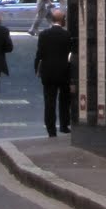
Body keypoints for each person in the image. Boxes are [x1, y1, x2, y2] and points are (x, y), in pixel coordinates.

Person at [34, 7, 73, 137]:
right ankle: (64, 125)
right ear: (63, 20)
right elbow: (70, 54)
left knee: (49, 100)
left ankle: (51, 129)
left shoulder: (44, 35)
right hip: (63, 71)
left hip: (48, 71)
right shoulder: (67, 35)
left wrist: (37, 69)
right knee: (64, 99)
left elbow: (39, 54)